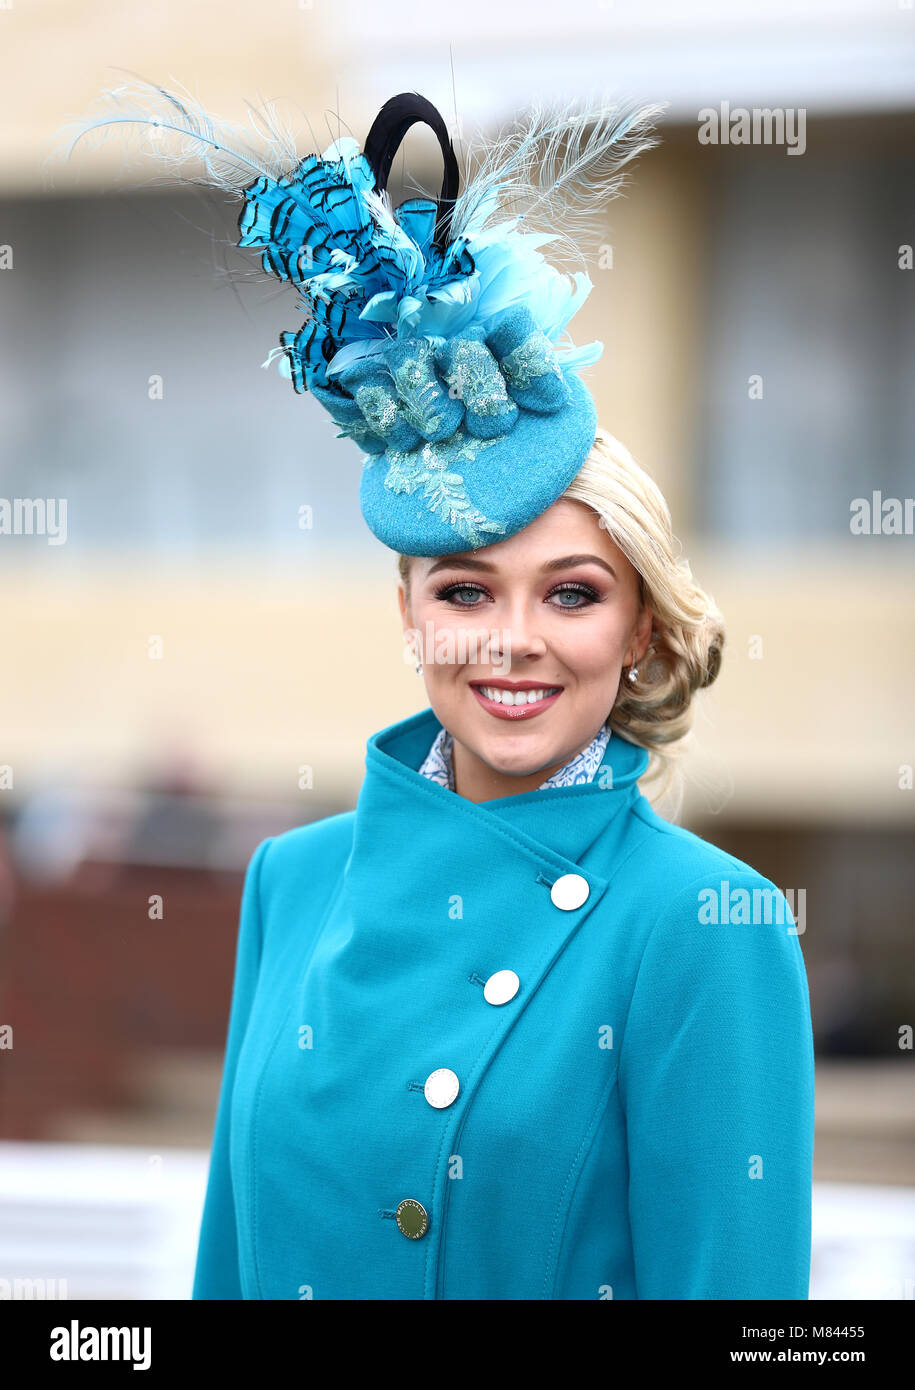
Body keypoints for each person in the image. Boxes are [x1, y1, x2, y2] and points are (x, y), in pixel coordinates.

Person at [66, 85, 815, 1299]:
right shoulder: (291, 881)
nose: (512, 641)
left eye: (572, 594)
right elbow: (231, 1263)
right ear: (410, 614)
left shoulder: (701, 922)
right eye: (466, 594)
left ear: (640, 631)